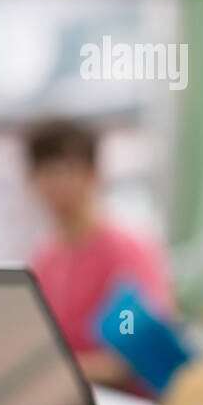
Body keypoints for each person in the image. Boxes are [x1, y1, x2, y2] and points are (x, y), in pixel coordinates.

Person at [26, 118, 174, 390]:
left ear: (94, 174)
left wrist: (63, 370)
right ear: (31, 180)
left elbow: (149, 351)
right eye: (47, 171)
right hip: (68, 397)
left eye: (69, 169)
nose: (58, 182)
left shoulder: (126, 250)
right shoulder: (45, 258)